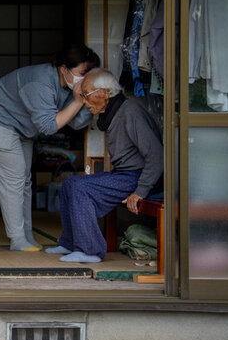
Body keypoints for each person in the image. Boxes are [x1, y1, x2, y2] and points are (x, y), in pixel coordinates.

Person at [0, 44, 99, 251]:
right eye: (82, 73)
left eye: (89, 75)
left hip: (22, 126)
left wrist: (87, 98)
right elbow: (49, 127)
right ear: (64, 69)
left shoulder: (69, 86)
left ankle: (27, 234)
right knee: (14, 179)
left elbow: (76, 123)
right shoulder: (40, 82)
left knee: (25, 180)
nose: (84, 79)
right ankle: (17, 239)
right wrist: (78, 102)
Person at [47, 68, 163, 263]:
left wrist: (140, 191)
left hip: (138, 176)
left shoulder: (130, 111)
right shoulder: (113, 112)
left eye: (87, 95)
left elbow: (156, 155)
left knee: (80, 188)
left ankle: (90, 250)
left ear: (106, 93)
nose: (84, 102)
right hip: (125, 175)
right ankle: (70, 242)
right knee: (69, 184)